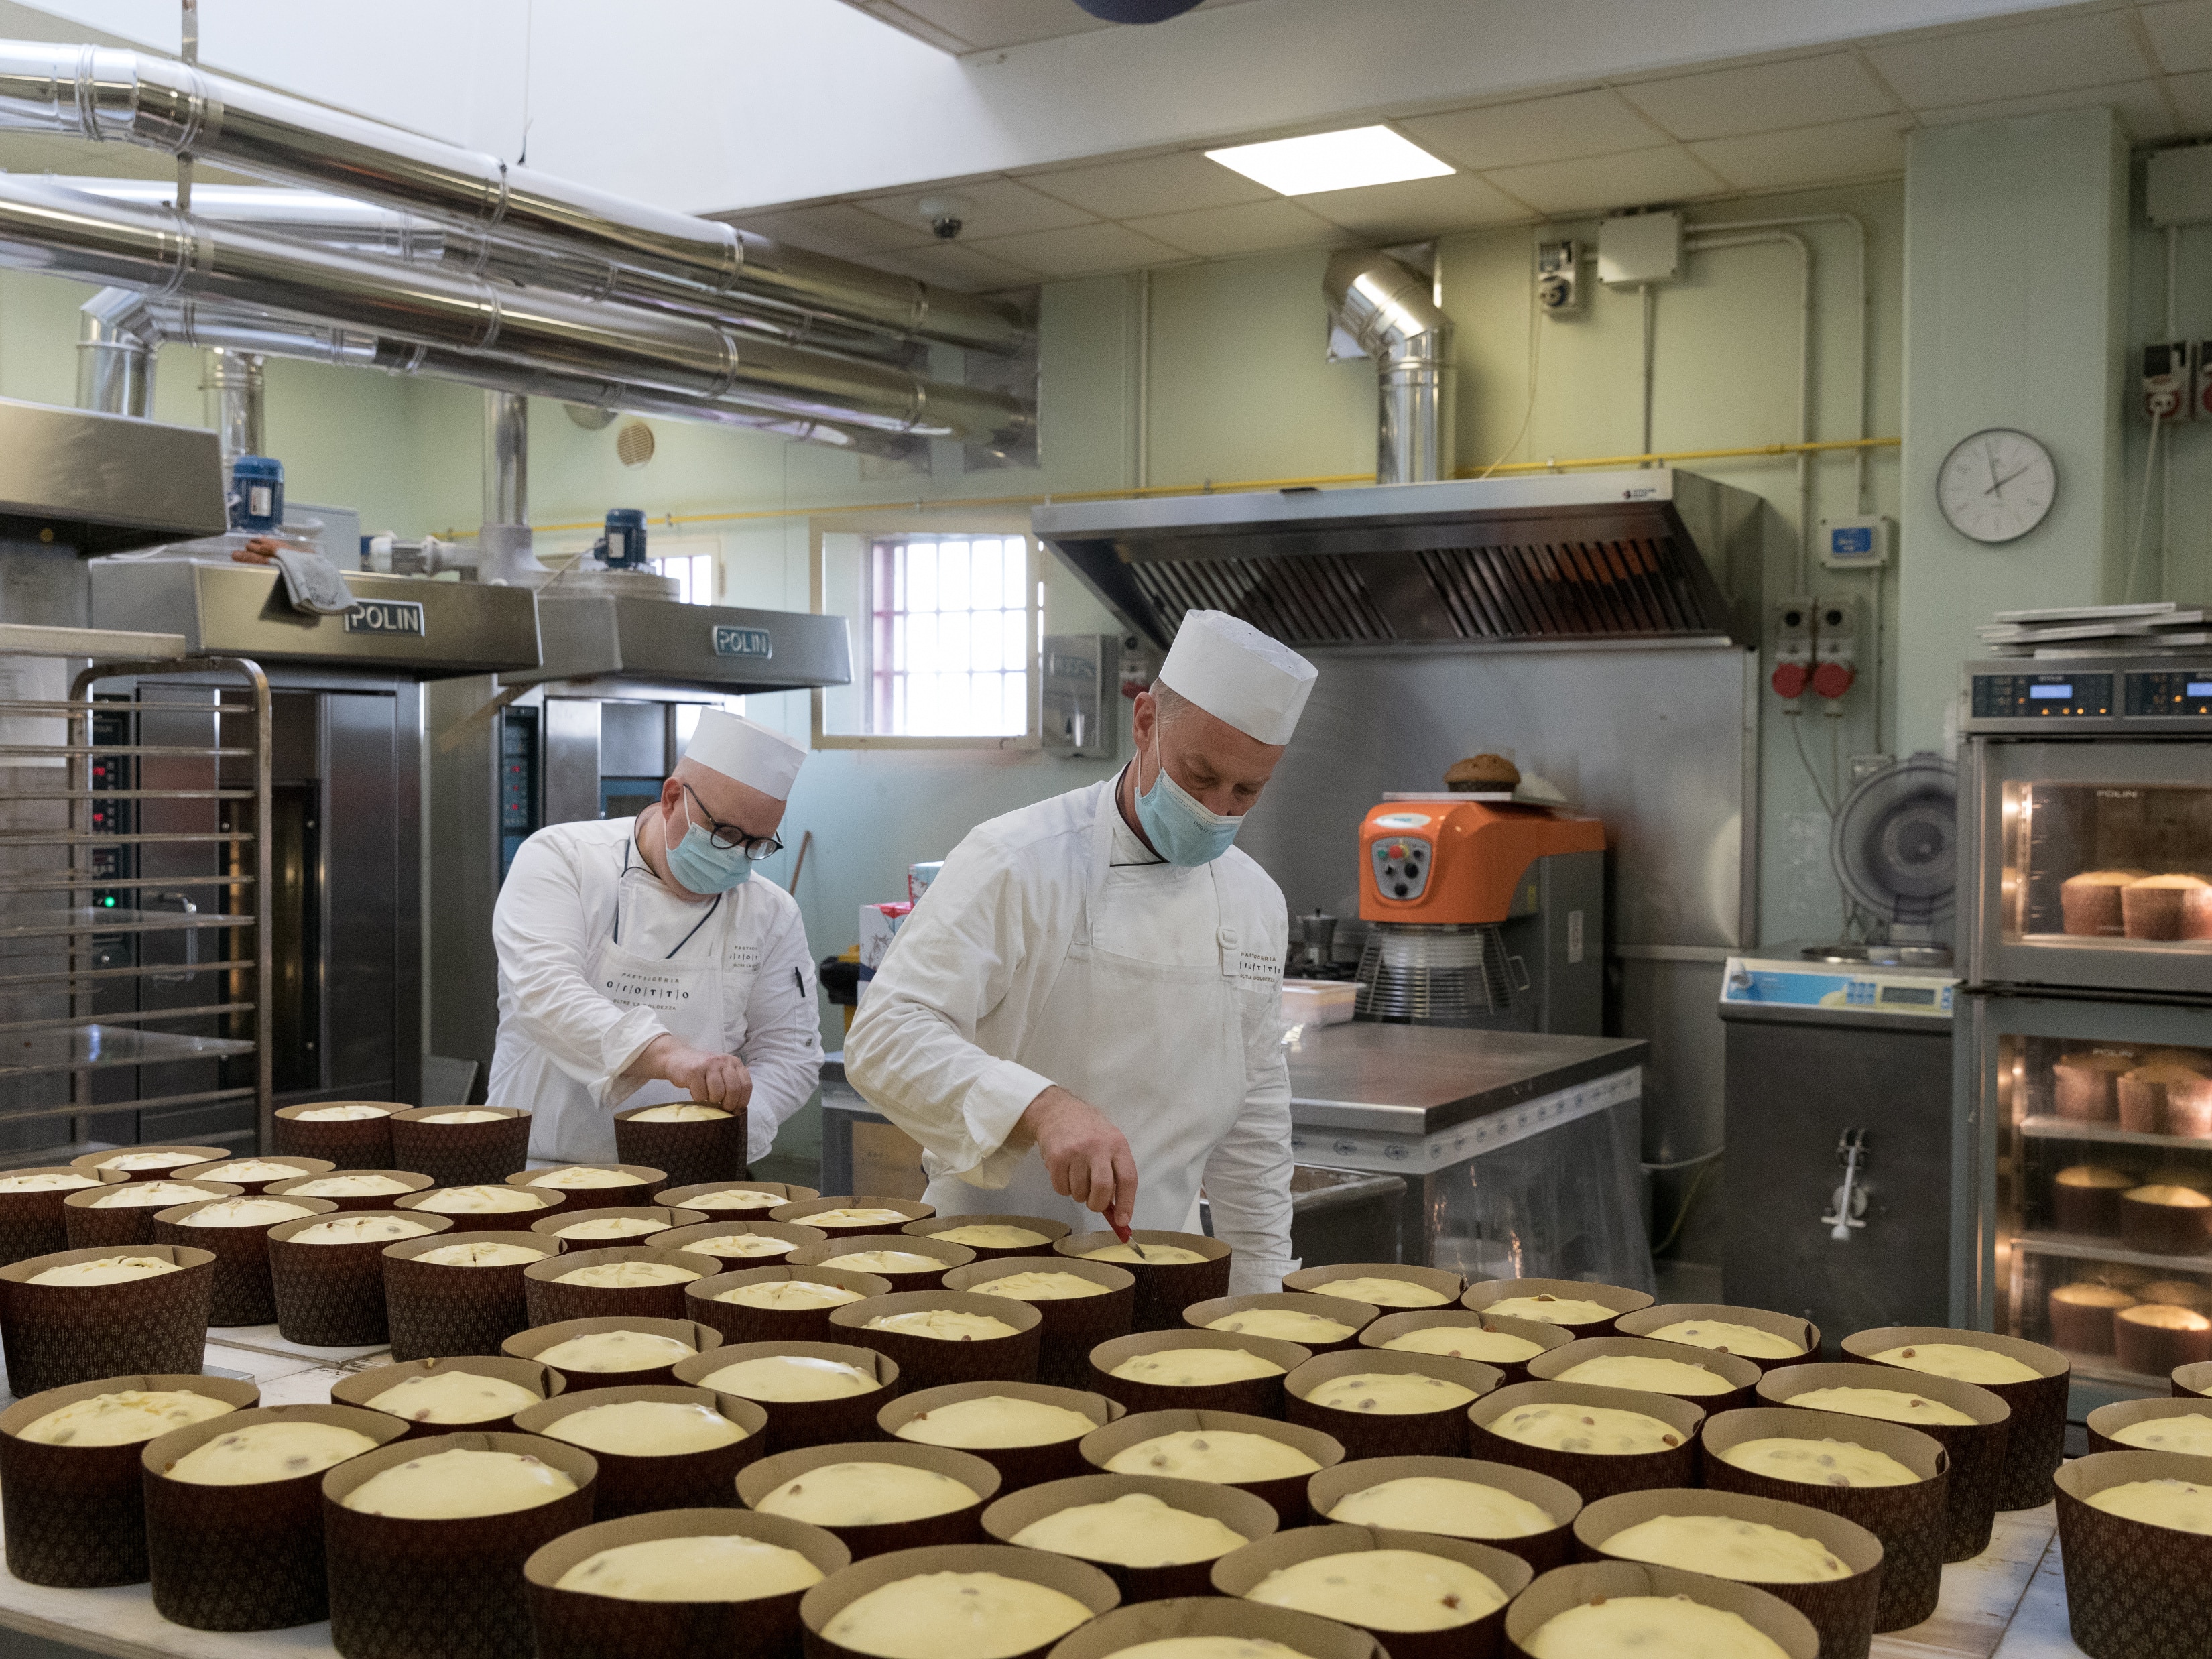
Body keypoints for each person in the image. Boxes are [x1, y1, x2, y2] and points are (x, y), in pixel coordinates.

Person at [845, 610, 1317, 1294]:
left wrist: (1263, 1293)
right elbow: (884, 1040)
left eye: (1246, 792)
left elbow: (1254, 1124)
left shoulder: (1254, 902)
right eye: (1199, 775)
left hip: (1161, 1277)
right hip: (991, 1277)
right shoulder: (1016, 860)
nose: (1218, 809)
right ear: (1147, 722)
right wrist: (1042, 1105)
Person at [487, 708, 823, 1166]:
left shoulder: (771, 913)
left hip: (689, 1184)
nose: (738, 859)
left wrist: (731, 1128)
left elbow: (791, 1053)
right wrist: (670, 1056)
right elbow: (547, 996)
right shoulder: (561, 860)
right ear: (670, 798)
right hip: (543, 1172)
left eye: (757, 844)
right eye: (724, 833)